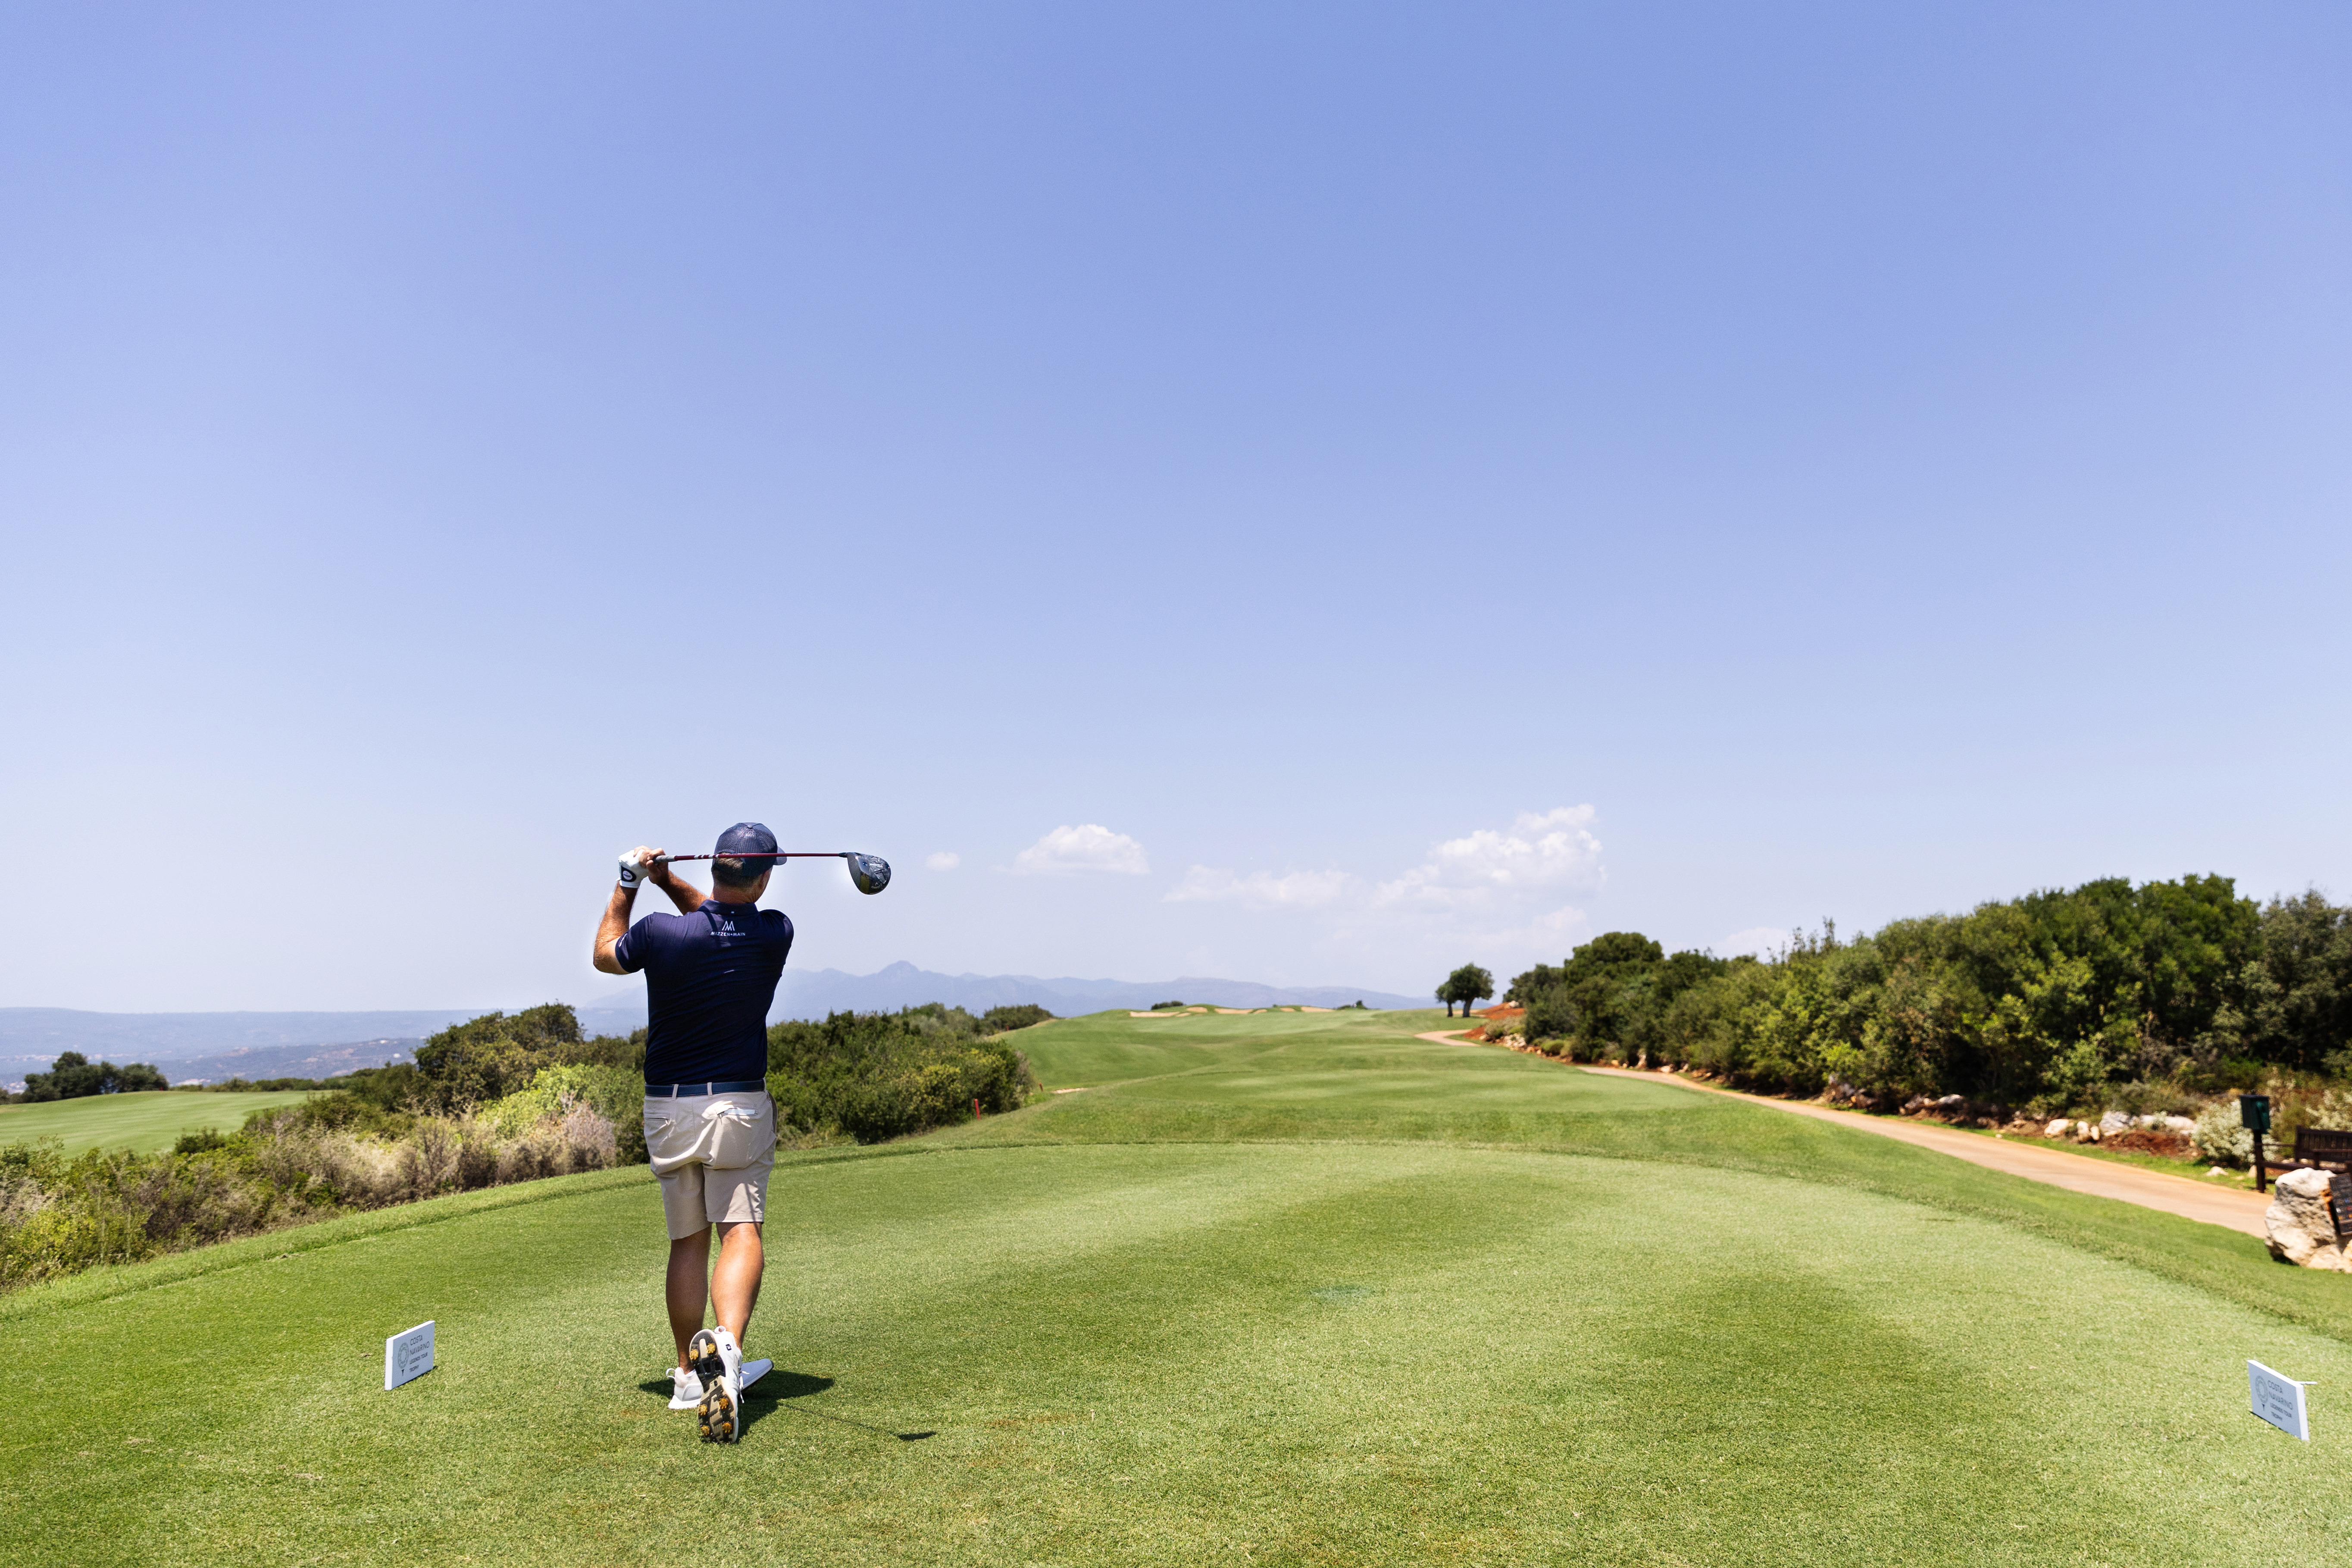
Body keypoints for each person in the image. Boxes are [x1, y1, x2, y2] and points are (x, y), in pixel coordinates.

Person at [593, 821, 794, 1444]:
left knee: (688, 1242)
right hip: (736, 1105)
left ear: (714, 868)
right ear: (760, 878)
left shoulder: (660, 933)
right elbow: (721, 920)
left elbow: (606, 953)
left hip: (667, 1108)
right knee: (740, 1229)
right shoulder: (774, 931)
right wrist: (665, 881)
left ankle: (688, 1373)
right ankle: (727, 1356)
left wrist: (631, 883)